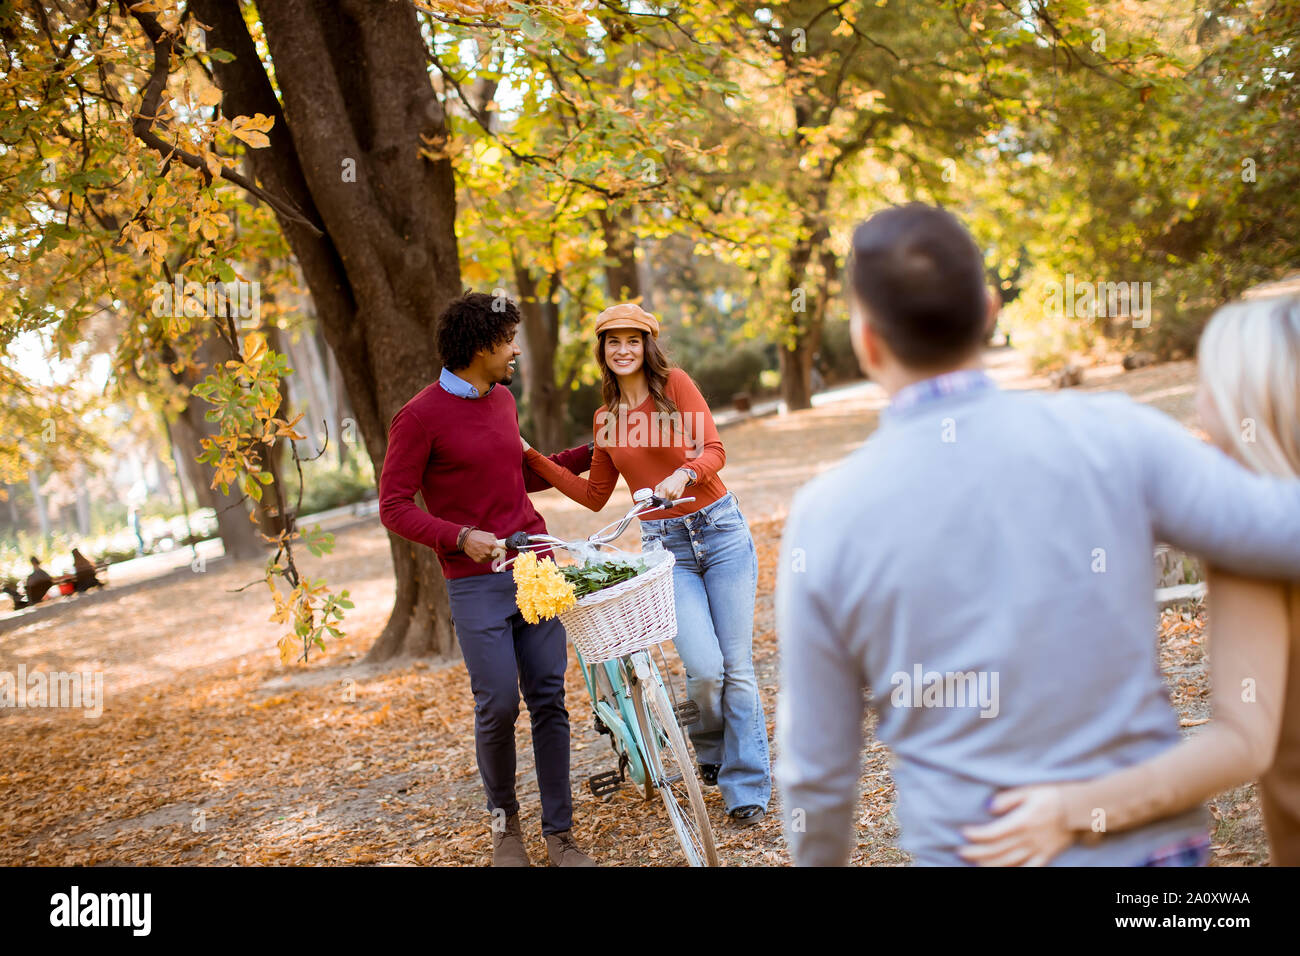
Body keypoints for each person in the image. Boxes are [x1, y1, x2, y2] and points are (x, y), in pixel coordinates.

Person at [775, 202, 1300, 866]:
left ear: (868, 341)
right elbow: (1280, 528)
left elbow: (816, 774)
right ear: (990, 311)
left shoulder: (825, 518)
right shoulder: (1116, 437)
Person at [960, 292, 1300, 866]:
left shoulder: (1252, 549)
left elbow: (1242, 741)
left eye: (1207, 382)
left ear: (1253, 400)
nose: (1198, 401)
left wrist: (1073, 808)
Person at [522, 302, 772, 826]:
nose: (623, 349)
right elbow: (593, 495)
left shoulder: (675, 386)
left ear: (647, 345)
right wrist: (533, 459)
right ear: (602, 351)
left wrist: (684, 475)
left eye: (632, 340)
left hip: (720, 532)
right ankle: (708, 748)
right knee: (704, 670)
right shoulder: (606, 419)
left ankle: (745, 785)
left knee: (737, 669)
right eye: (613, 341)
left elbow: (714, 450)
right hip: (667, 549)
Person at [378, 291, 598, 867]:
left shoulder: (501, 401)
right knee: (498, 702)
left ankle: (561, 834)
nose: (516, 352)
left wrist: (602, 452)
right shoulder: (418, 417)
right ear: (480, 348)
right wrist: (458, 536)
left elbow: (522, 474)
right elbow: (394, 506)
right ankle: (505, 828)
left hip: (535, 568)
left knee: (549, 697)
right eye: (507, 342)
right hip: (475, 581)